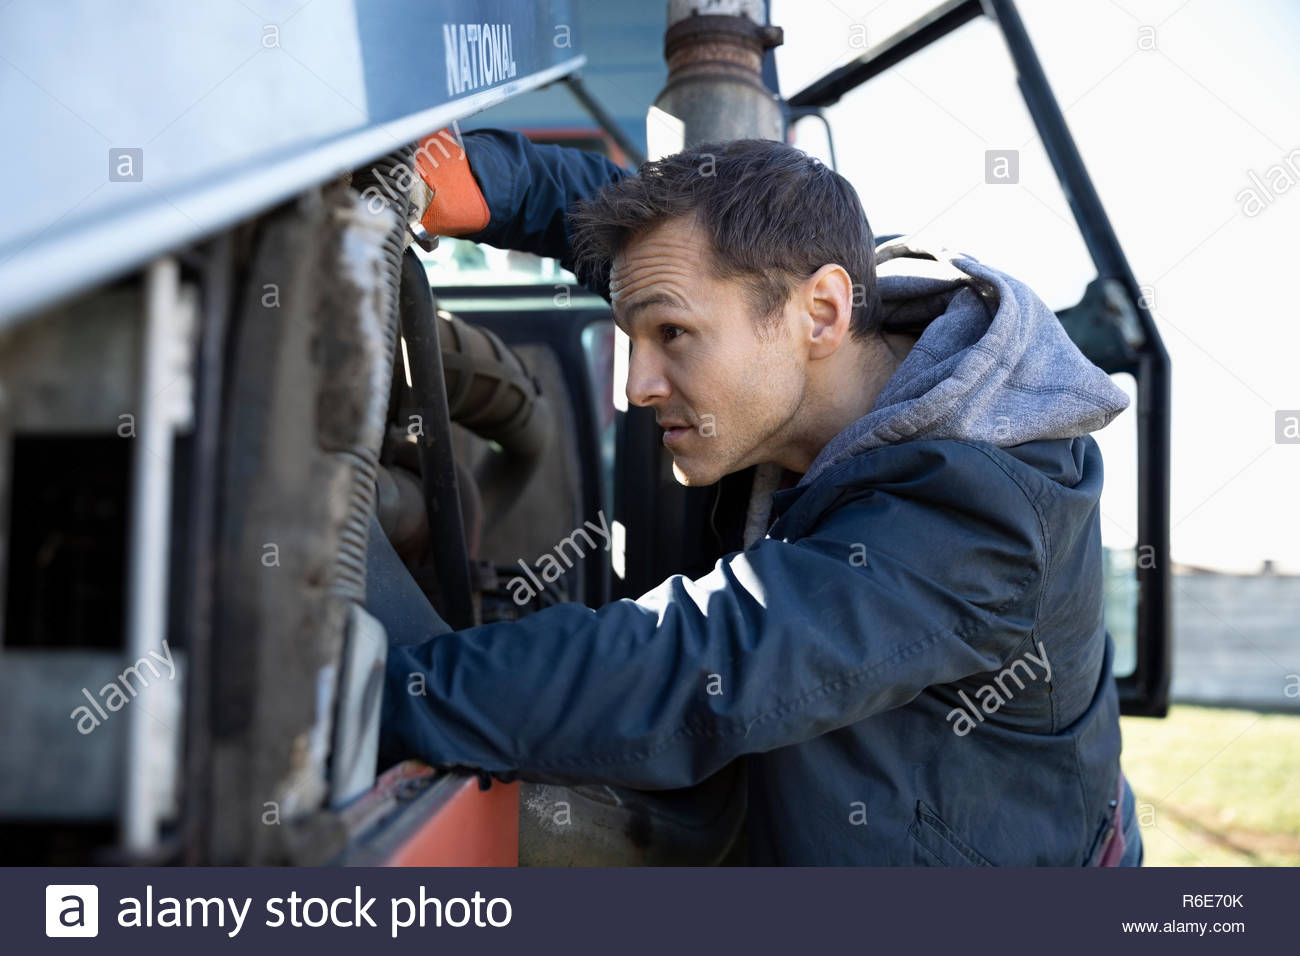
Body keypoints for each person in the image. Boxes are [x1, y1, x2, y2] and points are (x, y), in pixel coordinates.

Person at [373, 127, 1143, 866]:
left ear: (821, 314)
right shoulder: (806, 353)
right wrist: (484, 181)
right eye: (632, 337)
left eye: (672, 335)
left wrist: (377, 697)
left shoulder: (986, 515)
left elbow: (696, 664)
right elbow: (655, 245)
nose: (639, 387)